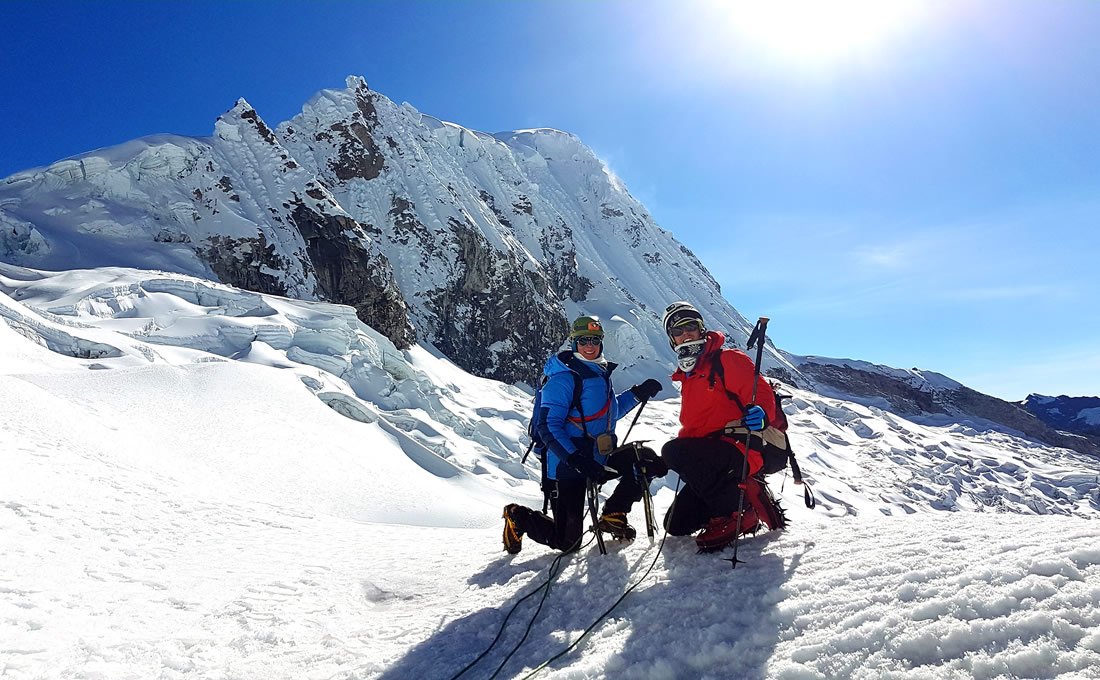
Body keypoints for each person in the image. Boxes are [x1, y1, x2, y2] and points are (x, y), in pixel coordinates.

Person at [503, 315, 663, 554]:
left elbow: (608, 414)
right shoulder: (563, 379)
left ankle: (613, 515)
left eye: (595, 340)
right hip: (566, 467)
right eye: (583, 340)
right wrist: (576, 460)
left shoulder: (599, 374)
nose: (590, 346)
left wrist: (638, 393)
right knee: (568, 543)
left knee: (645, 459)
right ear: (573, 342)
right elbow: (549, 426)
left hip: (598, 460)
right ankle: (518, 517)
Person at [659, 301, 781, 552]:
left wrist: (761, 412)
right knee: (676, 525)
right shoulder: (689, 376)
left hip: (739, 448)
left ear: (702, 329)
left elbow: (759, 392)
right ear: (672, 339)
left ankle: (734, 516)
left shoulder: (727, 360)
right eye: (677, 331)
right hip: (712, 459)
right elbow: (695, 427)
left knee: (673, 450)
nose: (685, 334)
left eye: (690, 326)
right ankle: (744, 499)